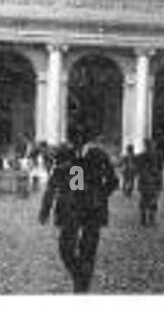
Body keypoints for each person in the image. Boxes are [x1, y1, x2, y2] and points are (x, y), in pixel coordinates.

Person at [39, 124, 119, 293]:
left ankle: (82, 286)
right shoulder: (66, 156)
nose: (77, 141)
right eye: (75, 137)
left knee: (87, 250)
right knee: (66, 249)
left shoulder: (97, 155)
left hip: (89, 210)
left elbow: (113, 181)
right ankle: (79, 276)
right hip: (74, 209)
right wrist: (46, 208)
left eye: (80, 137)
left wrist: (99, 195)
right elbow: (57, 183)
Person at [136, 138, 164, 227]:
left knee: (152, 201)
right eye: (149, 145)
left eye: (152, 145)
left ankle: (149, 219)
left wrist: (160, 181)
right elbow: (139, 169)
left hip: (152, 181)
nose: (151, 147)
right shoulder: (142, 156)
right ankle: (145, 219)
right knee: (147, 201)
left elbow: (160, 169)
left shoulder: (157, 155)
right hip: (147, 181)